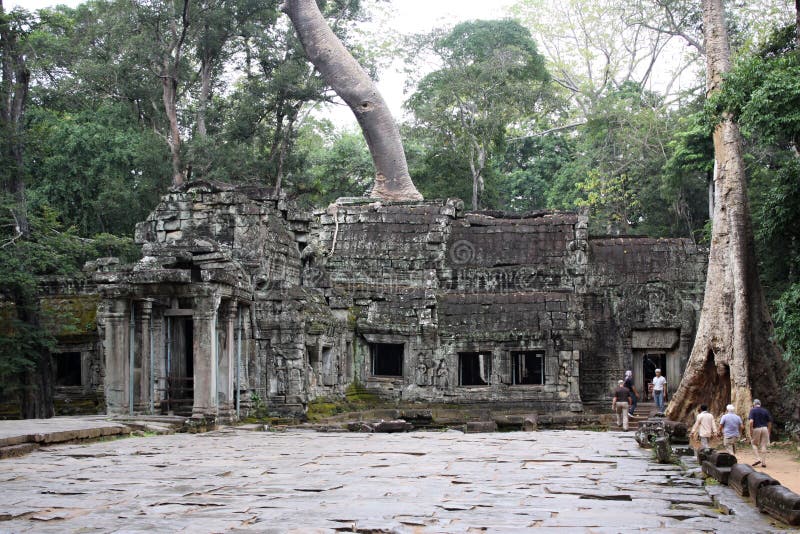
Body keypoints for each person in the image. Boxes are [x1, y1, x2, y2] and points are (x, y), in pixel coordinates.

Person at [748, 399, 773, 468]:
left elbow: (751, 422)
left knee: (754, 444)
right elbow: (769, 422)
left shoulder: (752, 410)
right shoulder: (765, 410)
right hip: (765, 428)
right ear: (760, 404)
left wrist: (751, 430)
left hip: (756, 428)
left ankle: (757, 458)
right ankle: (763, 462)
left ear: (754, 404)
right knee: (764, 445)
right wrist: (769, 431)